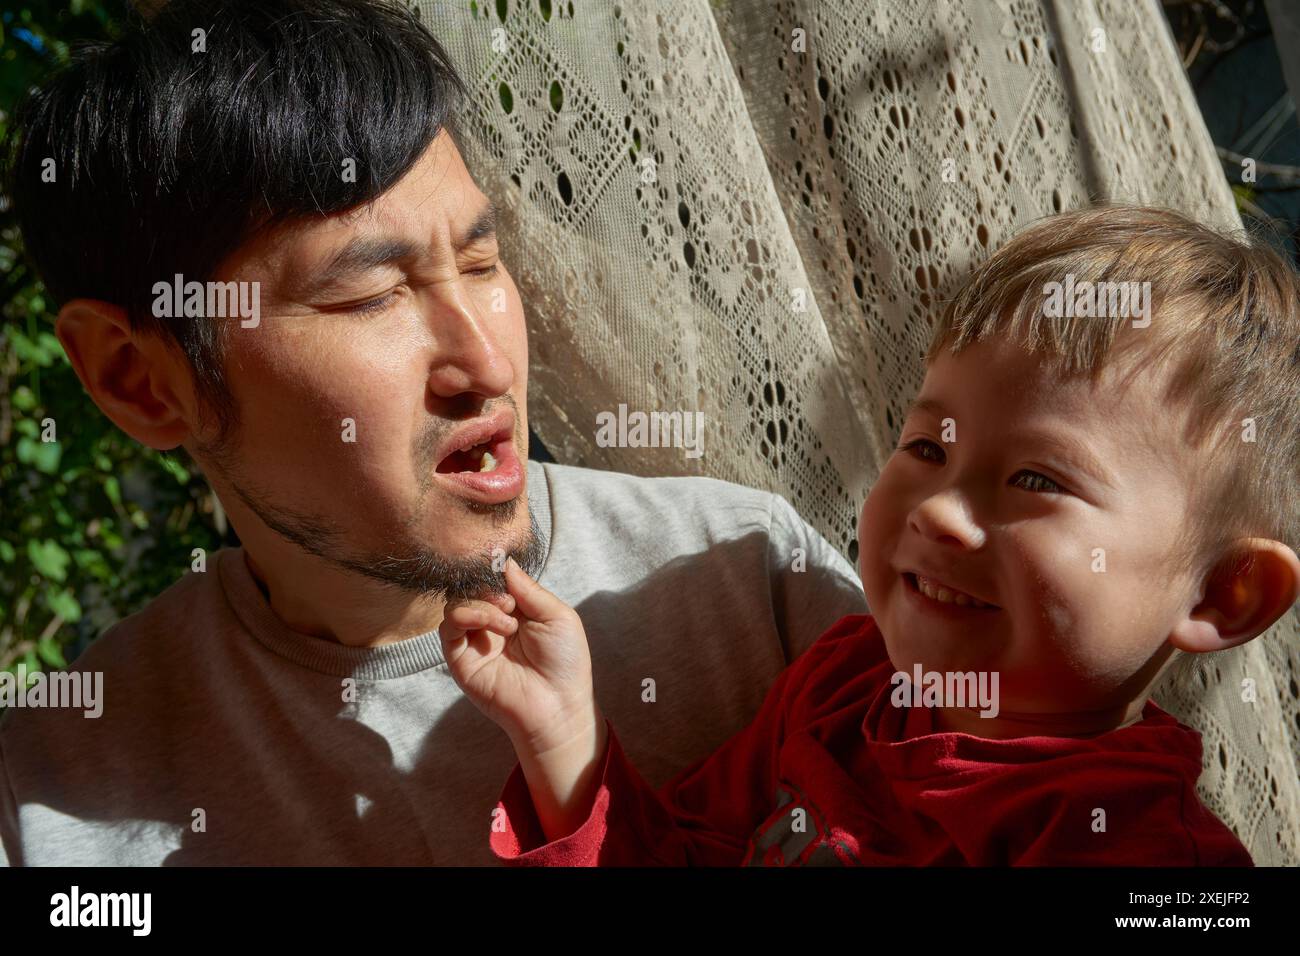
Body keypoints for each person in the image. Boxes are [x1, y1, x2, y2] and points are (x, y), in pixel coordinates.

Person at [0, 0, 864, 865]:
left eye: (483, 263)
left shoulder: (751, 585)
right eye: (368, 295)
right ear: (138, 379)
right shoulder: (53, 797)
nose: (487, 363)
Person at [442, 205, 1300, 865]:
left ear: (1226, 593)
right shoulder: (841, 684)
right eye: (927, 447)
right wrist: (566, 739)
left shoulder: (1141, 858)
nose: (934, 509)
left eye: (1037, 478)